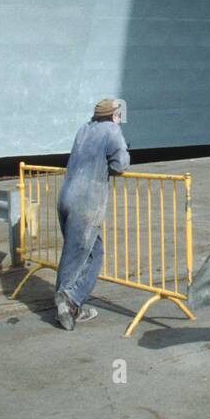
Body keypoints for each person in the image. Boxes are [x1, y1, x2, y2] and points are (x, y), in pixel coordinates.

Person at [54, 98, 130, 331]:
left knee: (87, 251)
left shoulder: (84, 129)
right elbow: (120, 165)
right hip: (86, 202)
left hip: (66, 195)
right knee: (80, 254)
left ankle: (68, 302)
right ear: (114, 115)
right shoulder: (112, 131)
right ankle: (69, 301)